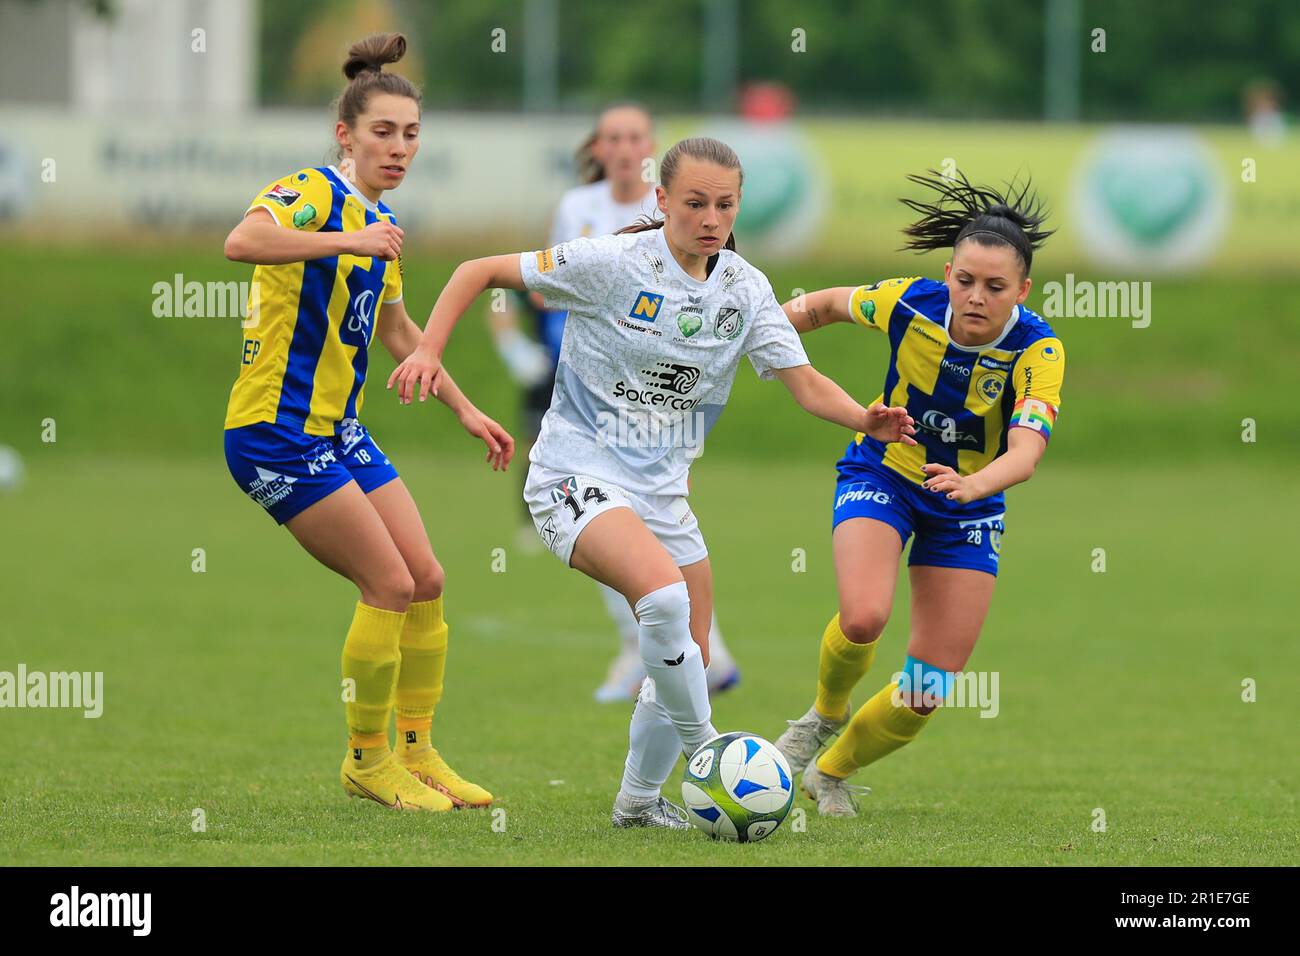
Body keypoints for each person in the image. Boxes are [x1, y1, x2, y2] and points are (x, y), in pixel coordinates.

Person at [388, 137, 915, 829]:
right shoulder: (611, 262)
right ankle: (712, 758)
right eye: (694, 202)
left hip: (662, 496)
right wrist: (428, 349)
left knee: (685, 652)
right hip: (572, 475)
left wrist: (863, 417)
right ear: (661, 200)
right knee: (663, 600)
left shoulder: (744, 289)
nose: (709, 217)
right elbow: (476, 270)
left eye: (724, 204)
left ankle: (637, 803)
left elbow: (806, 383)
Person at [222, 33, 513, 813]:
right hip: (274, 434)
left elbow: (398, 332)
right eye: (383, 131)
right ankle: (365, 760)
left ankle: (419, 753)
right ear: (345, 135)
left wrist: (465, 406)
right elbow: (242, 240)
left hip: (339, 432)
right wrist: (350, 235)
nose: (399, 147)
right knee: (386, 583)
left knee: (427, 581)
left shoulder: (380, 225)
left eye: (411, 134)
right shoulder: (315, 194)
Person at [773, 170, 1064, 816]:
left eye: (994, 286)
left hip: (970, 506)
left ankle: (831, 770)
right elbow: (819, 307)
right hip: (884, 476)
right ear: (948, 273)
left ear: (1022, 289)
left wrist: (974, 483)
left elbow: (1027, 451)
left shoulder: (1038, 348)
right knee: (864, 617)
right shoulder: (909, 304)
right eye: (965, 281)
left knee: (928, 688)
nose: (975, 297)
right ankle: (820, 717)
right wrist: (758, 334)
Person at [490, 103, 741, 702]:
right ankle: (673, 654)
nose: (625, 147)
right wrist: (525, 350)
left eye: (636, 137)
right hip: (585, 373)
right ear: (598, 148)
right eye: (614, 138)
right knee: (611, 517)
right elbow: (541, 286)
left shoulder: (682, 206)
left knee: (639, 516)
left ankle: (670, 654)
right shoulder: (578, 209)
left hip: (653, 383)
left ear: (651, 149)